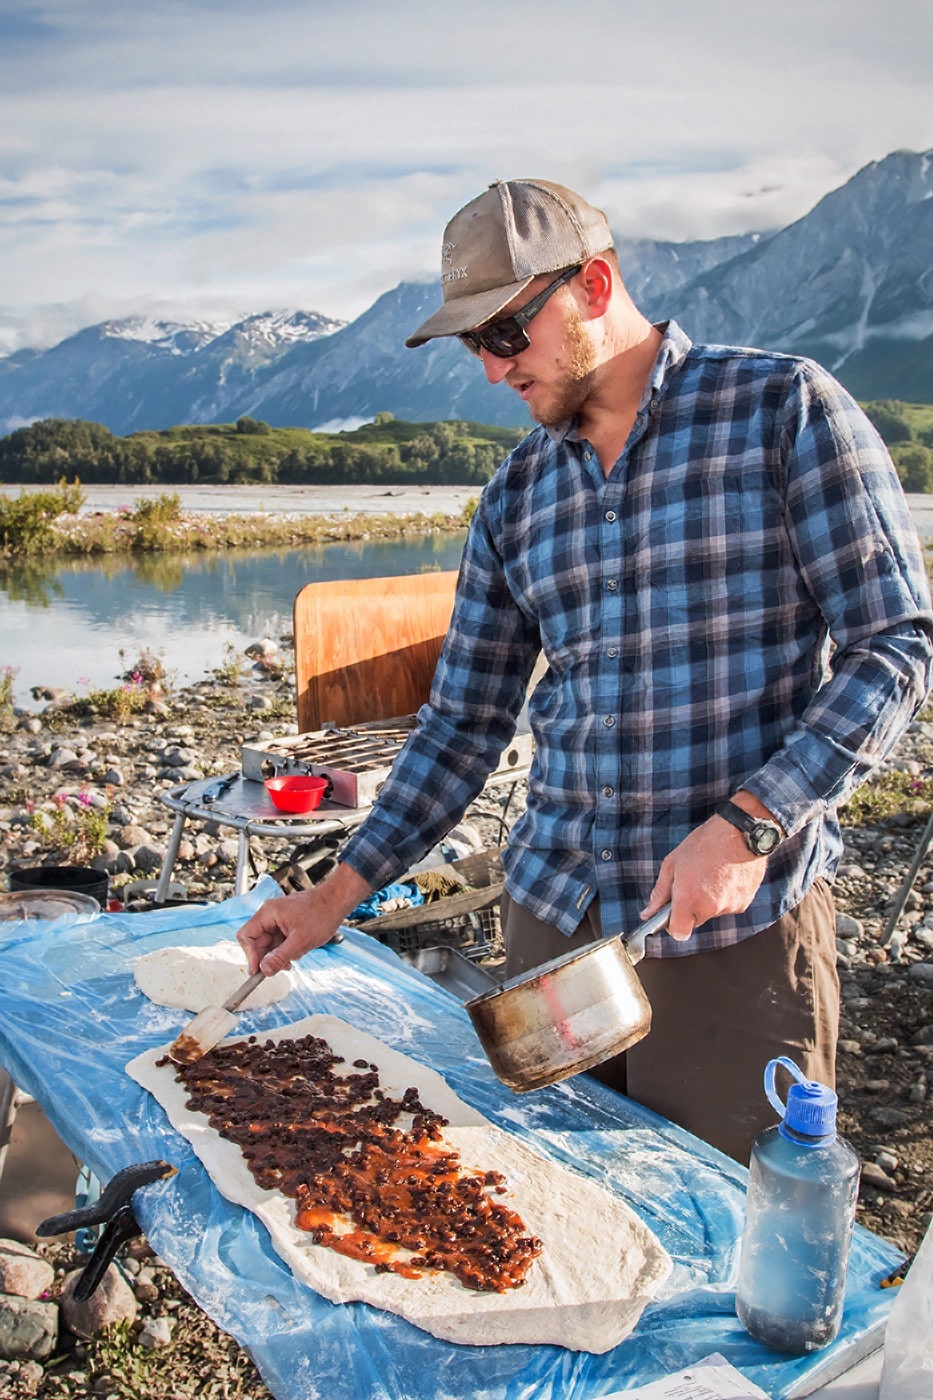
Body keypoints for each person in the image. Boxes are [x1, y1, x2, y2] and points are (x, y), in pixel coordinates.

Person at [239, 178, 933, 1163]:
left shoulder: (783, 410)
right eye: (471, 344)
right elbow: (462, 727)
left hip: (731, 940)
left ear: (595, 282)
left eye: (506, 333)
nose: (490, 370)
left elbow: (895, 642)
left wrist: (749, 823)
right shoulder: (516, 496)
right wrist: (331, 895)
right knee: (548, 1218)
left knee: (729, 1238)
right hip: (551, 924)